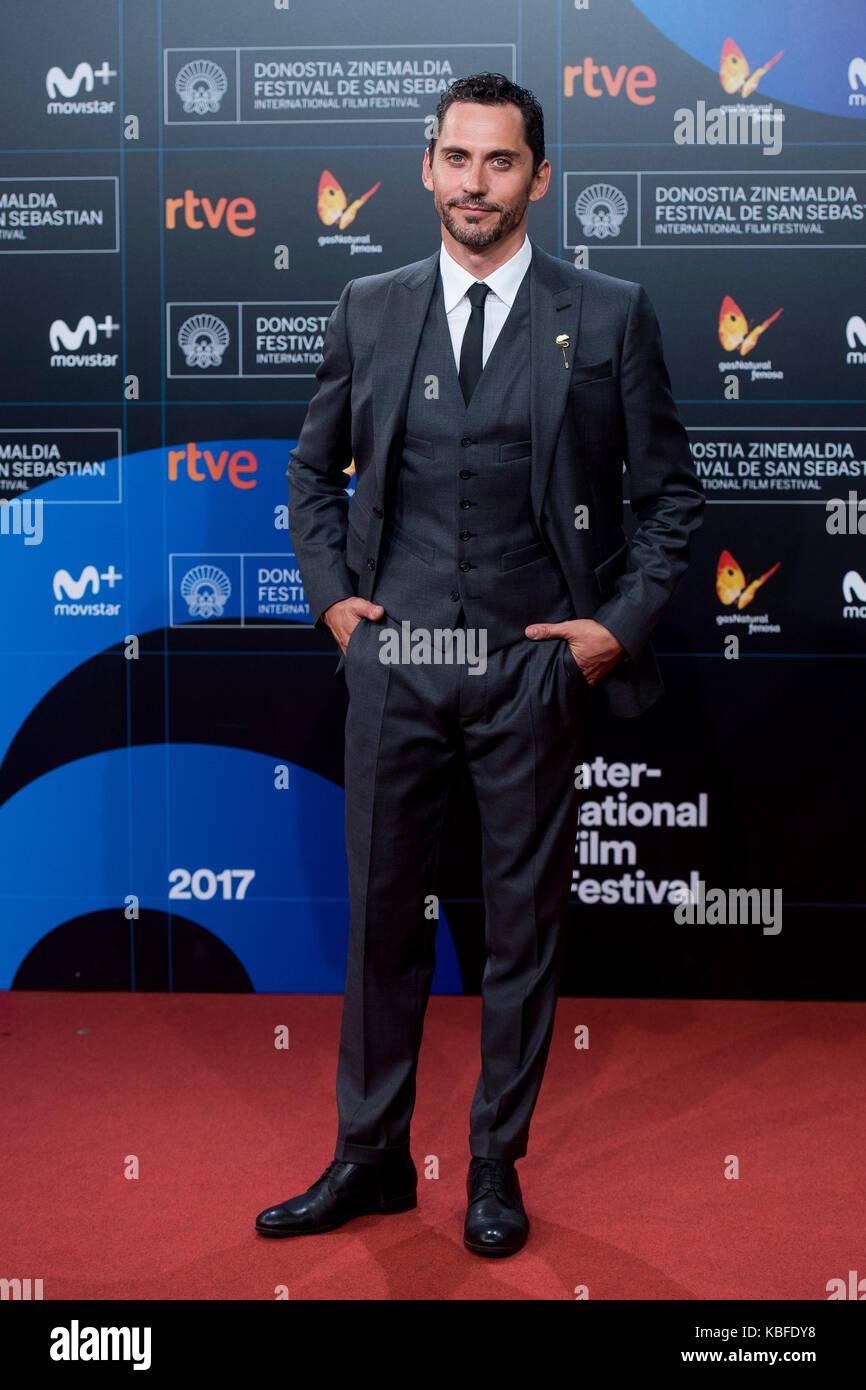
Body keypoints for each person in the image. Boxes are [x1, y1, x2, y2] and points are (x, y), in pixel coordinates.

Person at [256, 73, 704, 1257]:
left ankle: (493, 1167)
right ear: (426, 169)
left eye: (498, 162)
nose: (473, 182)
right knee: (376, 926)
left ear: (538, 177)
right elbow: (311, 474)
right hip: (394, 659)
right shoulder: (369, 304)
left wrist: (611, 629)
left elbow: (667, 499)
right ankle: (369, 1159)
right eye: (455, 158)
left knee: (521, 926)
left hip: (529, 667)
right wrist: (336, 611)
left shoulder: (606, 314)